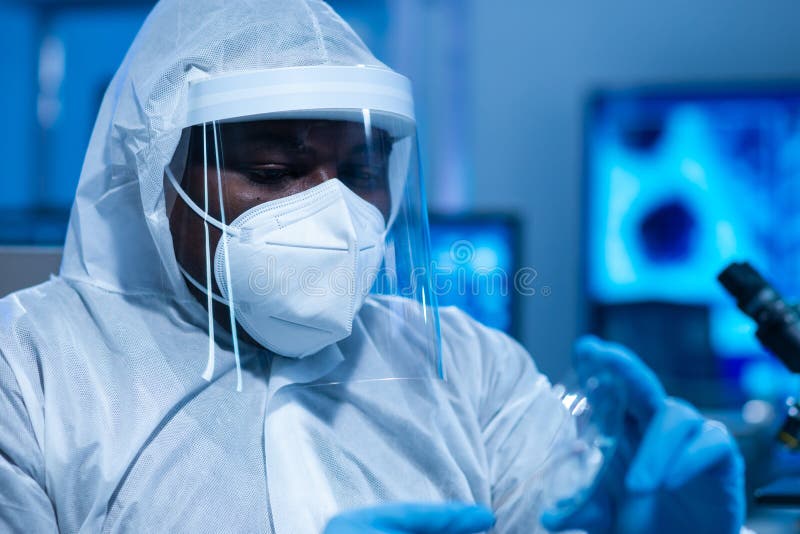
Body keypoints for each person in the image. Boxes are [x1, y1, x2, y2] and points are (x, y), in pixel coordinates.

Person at [0, 0, 743, 532]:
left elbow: (560, 510)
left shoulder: (470, 371)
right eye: (272, 167)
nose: (333, 214)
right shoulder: (31, 373)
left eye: (360, 173)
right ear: (160, 174)